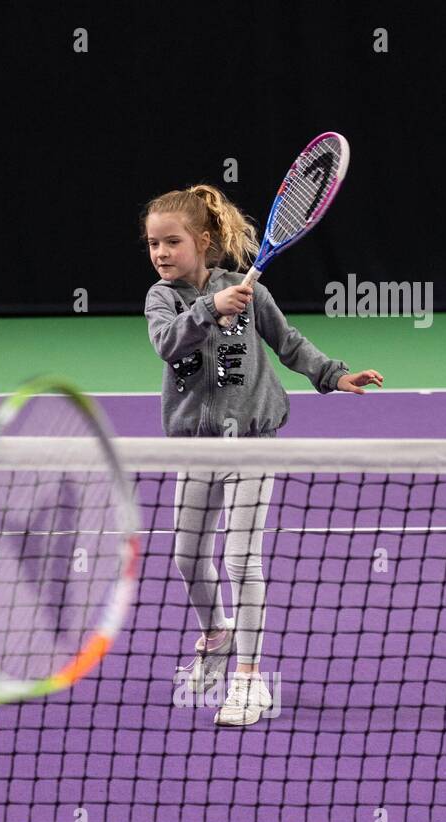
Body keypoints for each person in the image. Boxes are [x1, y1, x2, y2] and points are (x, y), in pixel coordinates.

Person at [142, 184, 383, 726]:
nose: (160, 253)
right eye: (153, 244)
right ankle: (217, 635)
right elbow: (166, 342)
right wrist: (209, 309)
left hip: (252, 441)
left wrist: (334, 374)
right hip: (196, 449)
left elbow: (289, 342)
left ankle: (250, 680)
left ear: (203, 242)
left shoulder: (251, 294)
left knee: (239, 558)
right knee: (186, 556)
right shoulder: (163, 299)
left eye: (171, 242)